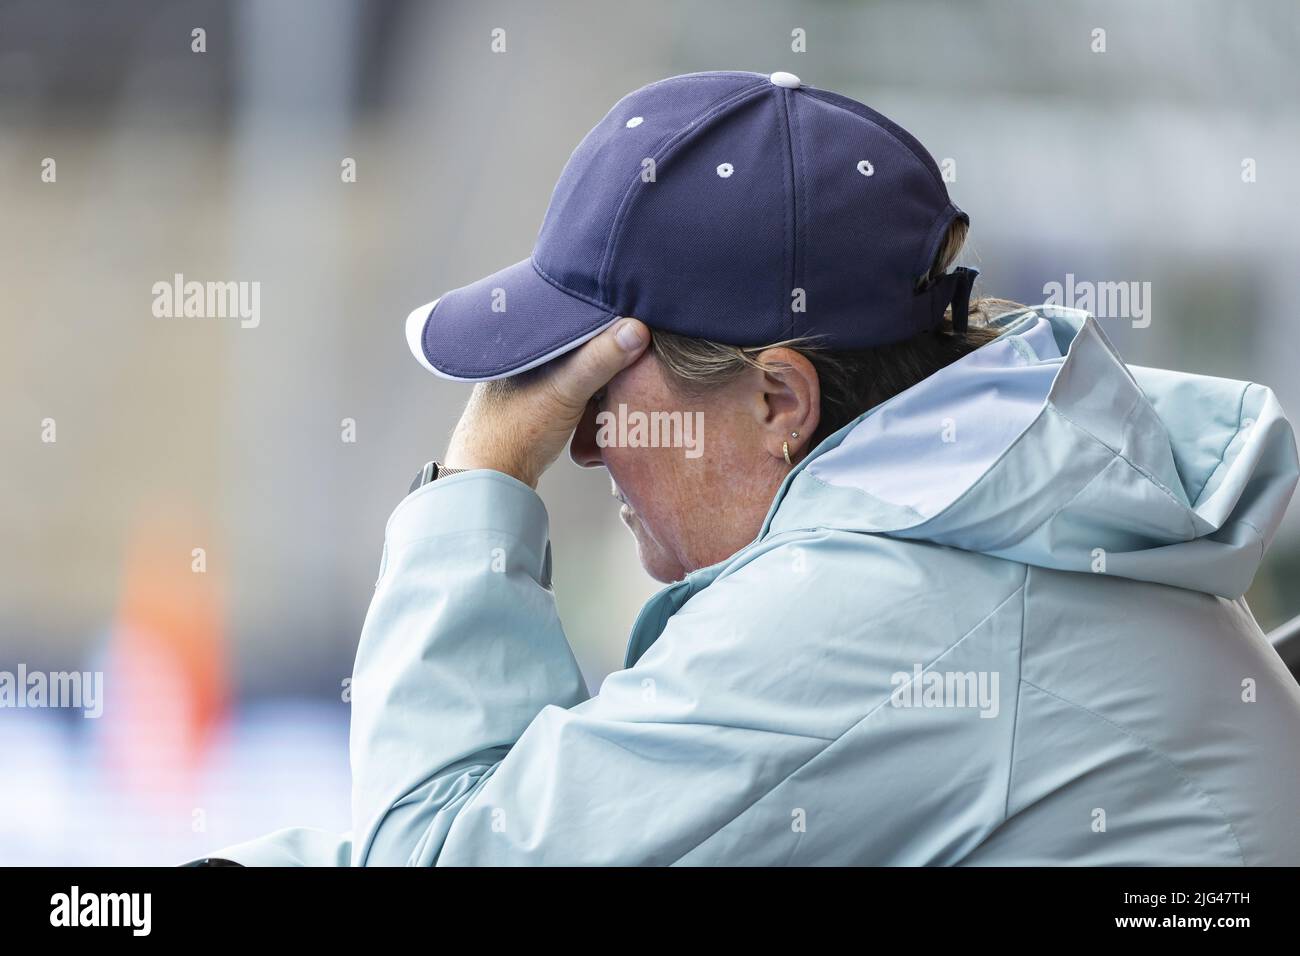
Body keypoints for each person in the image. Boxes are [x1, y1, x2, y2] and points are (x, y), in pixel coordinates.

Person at [191, 71, 1300, 866]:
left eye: (592, 390)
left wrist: (477, 478)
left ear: (778, 400)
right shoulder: (961, 532)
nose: (570, 440)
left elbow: (440, 854)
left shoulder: (880, 607)